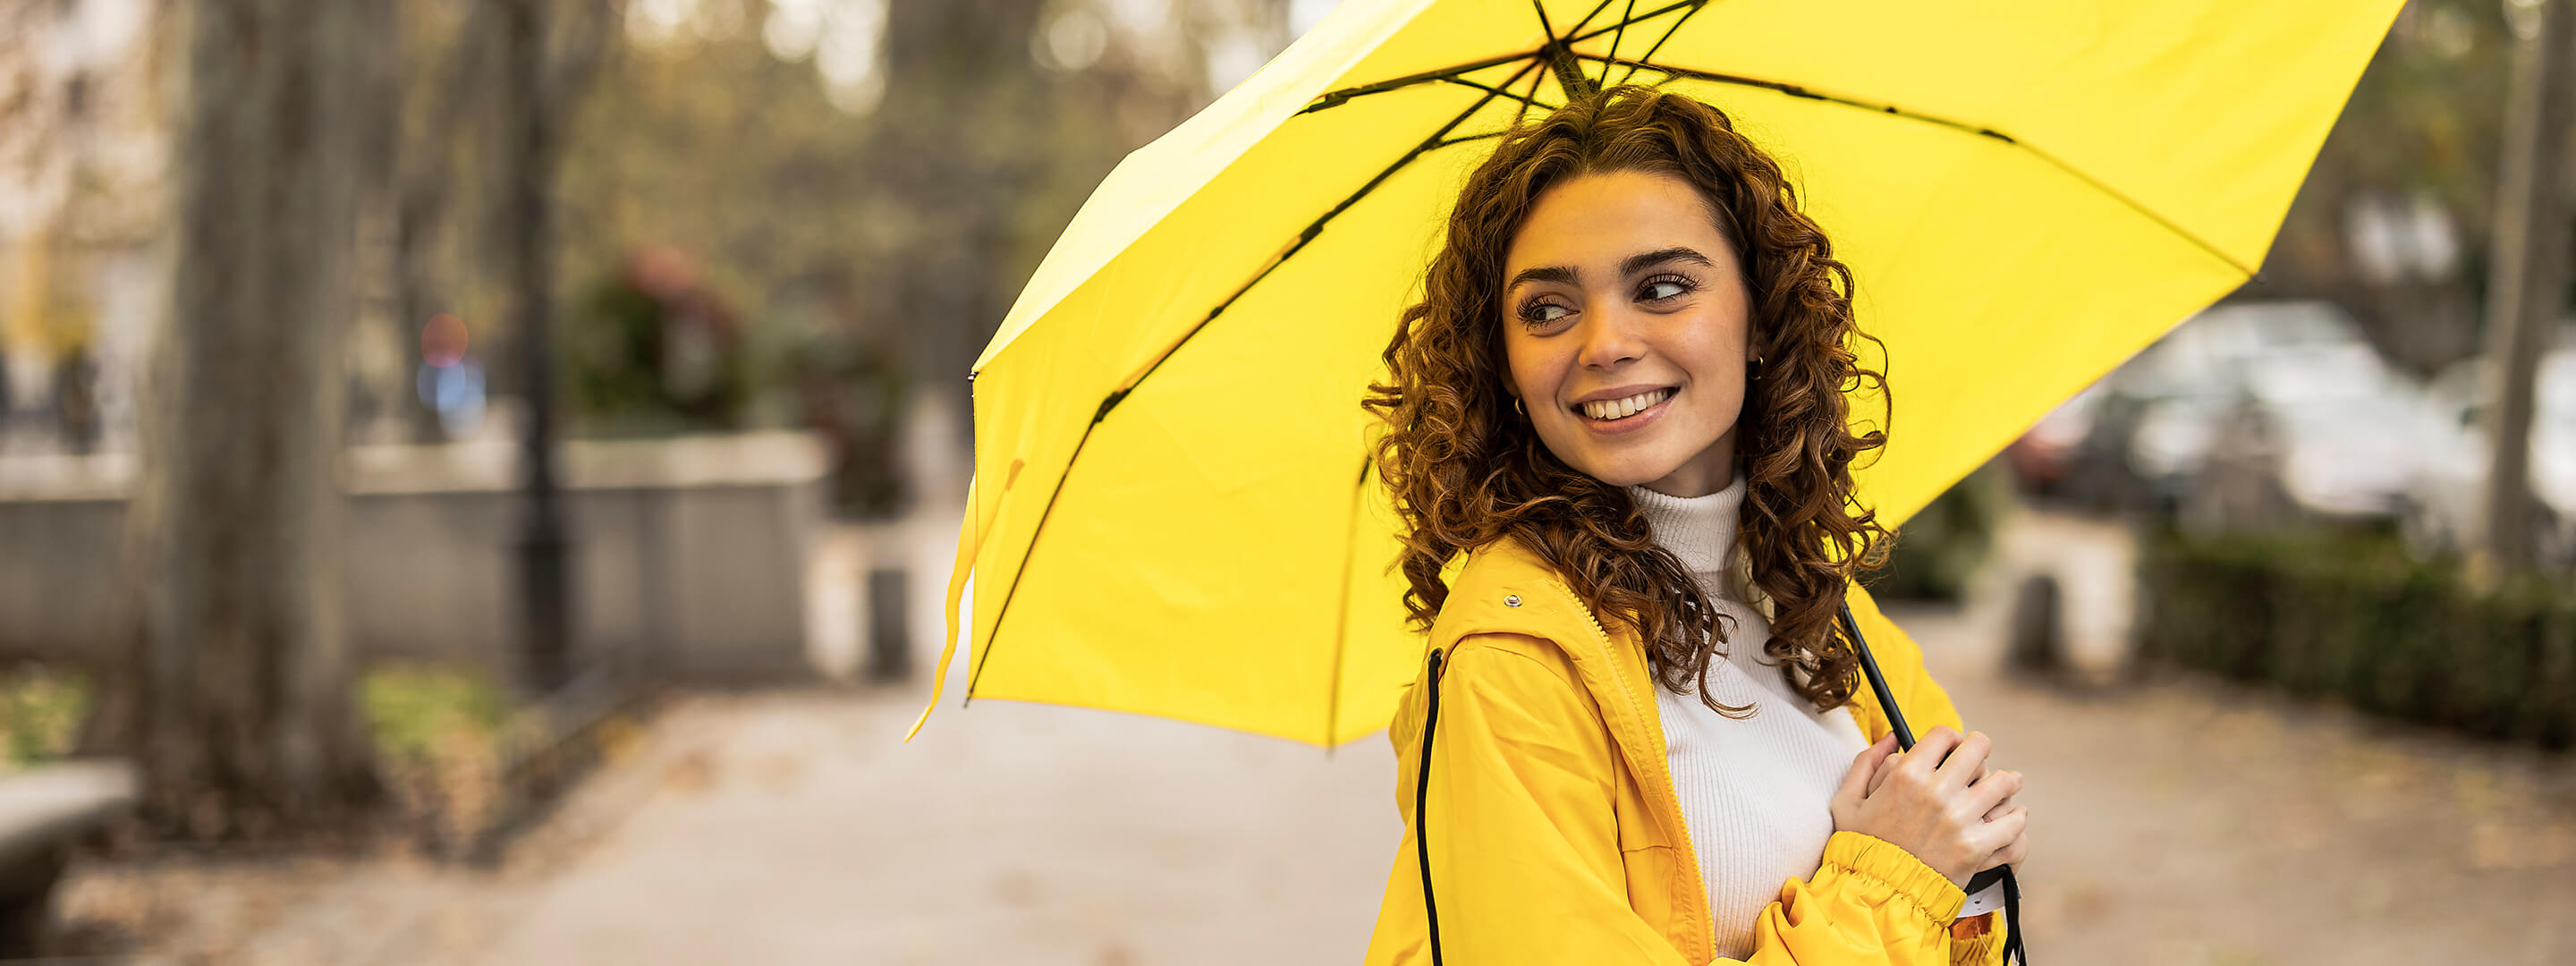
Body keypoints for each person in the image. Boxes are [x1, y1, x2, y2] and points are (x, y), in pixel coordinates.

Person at [1359, 85, 2029, 965]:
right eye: (1547, 308)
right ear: (1504, 362)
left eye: (1663, 286)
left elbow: (1977, 915)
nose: (1603, 342)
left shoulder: (1830, 620)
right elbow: (1920, 887)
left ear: (1760, 315)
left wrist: (1955, 893)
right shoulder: (1512, 669)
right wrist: (1891, 882)